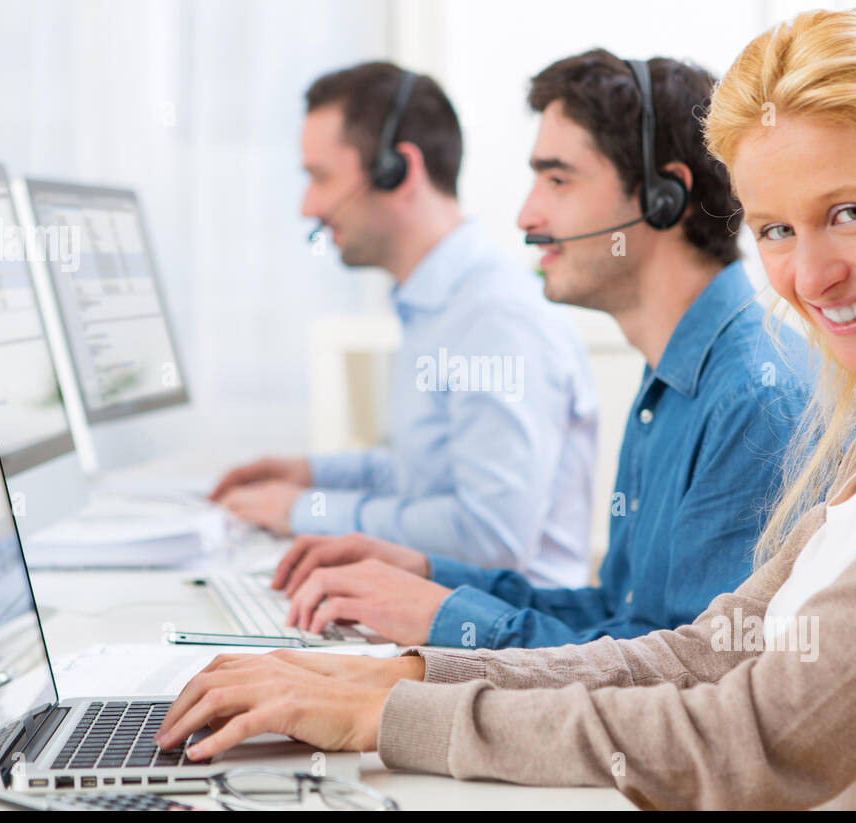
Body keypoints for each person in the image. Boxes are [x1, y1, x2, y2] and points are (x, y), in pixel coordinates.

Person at [158, 9, 856, 810]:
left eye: (853, 212)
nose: (811, 275)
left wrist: (396, 714)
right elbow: (707, 650)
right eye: (778, 229)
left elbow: (763, 735)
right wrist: (407, 674)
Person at [266, 51, 815, 650]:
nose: (527, 215)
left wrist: (448, 620)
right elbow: (619, 615)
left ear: (664, 197)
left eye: (558, 179)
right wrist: (430, 577)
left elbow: (693, 678)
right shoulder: (676, 375)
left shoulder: (755, 397)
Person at [210, 62, 599, 590]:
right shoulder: (437, 305)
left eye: (321, 177)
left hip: (506, 650)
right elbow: (427, 477)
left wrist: (304, 510)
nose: (309, 206)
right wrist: (312, 475)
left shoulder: (494, 318)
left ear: (398, 169)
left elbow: (491, 536)